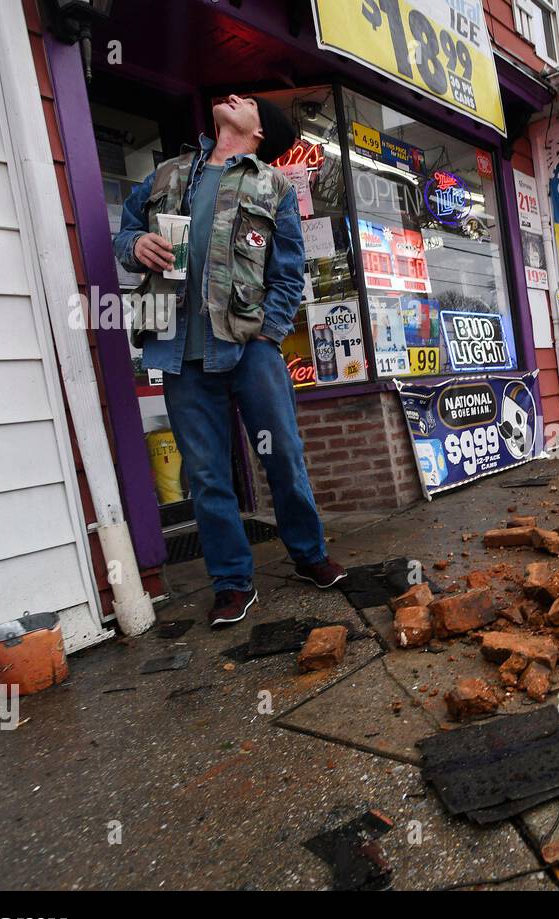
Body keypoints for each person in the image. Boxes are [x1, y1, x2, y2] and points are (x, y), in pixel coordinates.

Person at [115, 94, 346, 628]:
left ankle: (309, 554)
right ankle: (232, 582)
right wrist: (136, 246)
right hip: (178, 352)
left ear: (260, 130)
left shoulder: (275, 186)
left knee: (283, 456)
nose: (233, 98)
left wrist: (268, 336)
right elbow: (124, 235)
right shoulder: (166, 174)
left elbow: (289, 272)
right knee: (207, 473)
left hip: (249, 348)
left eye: (248, 101)